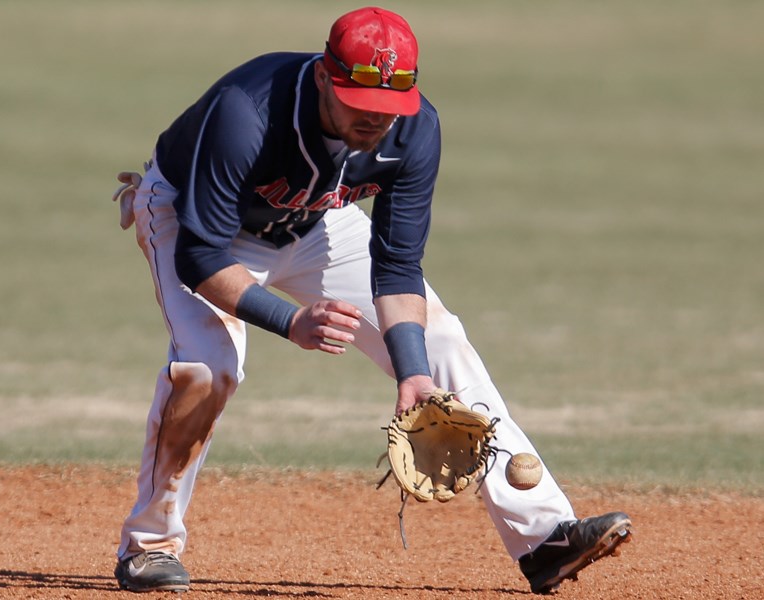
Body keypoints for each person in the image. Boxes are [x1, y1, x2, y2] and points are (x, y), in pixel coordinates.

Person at [110, 6, 630, 595]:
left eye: (389, 109)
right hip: (195, 223)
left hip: (312, 223)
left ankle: (544, 537)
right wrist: (290, 320)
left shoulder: (416, 127)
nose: (375, 120)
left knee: (440, 343)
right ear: (325, 78)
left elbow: (398, 265)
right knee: (208, 367)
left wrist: (412, 374)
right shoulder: (247, 110)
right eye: (361, 104)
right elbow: (200, 257)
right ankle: (149, 545)